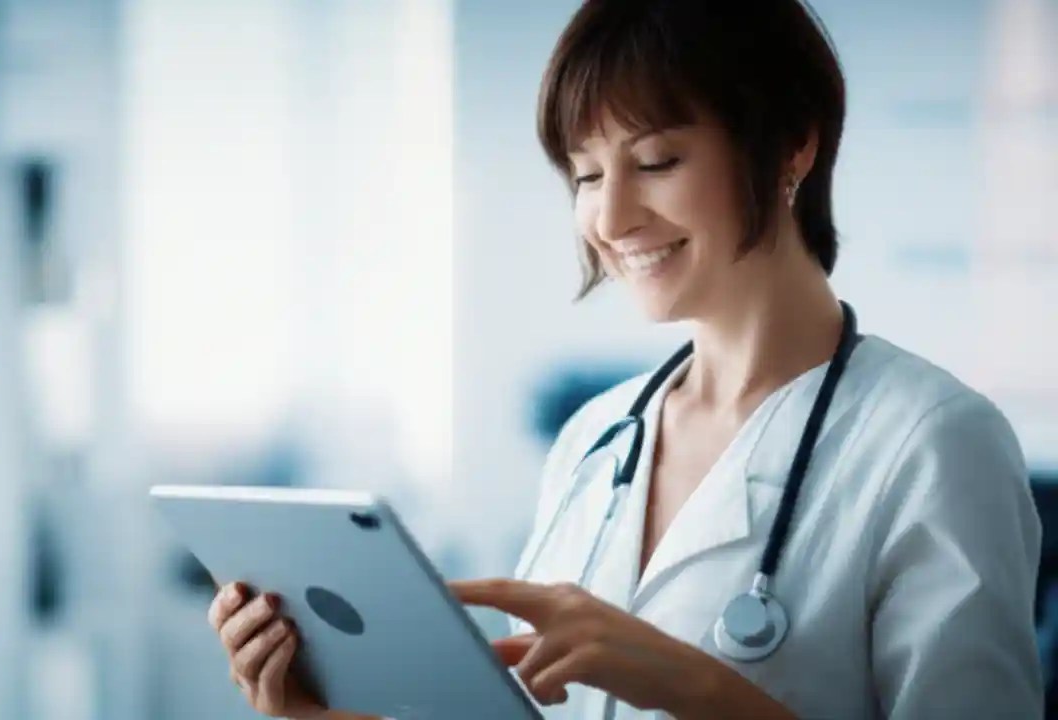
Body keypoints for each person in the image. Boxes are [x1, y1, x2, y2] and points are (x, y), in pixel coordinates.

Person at [205, 0, 1044, 717]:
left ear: (793, 143)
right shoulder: (596, 439)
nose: (611, 218)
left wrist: (692, 685)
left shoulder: (934, 443)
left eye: (655, 162)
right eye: (584, 175)